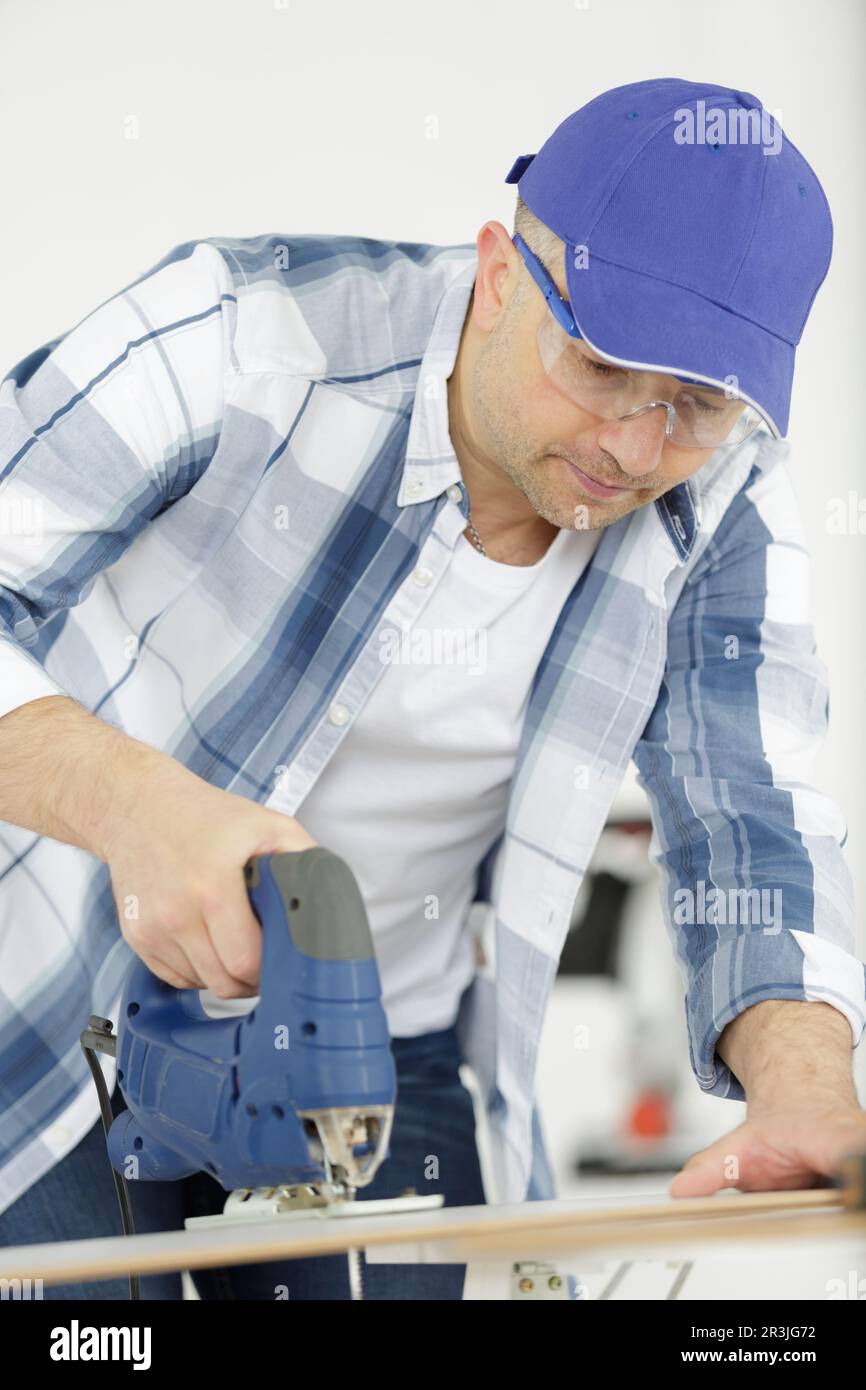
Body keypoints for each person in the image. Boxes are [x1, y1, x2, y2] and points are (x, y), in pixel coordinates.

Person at [0, 77, 864, 1300]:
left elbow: (751, 819)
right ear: (503, 271)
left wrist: (804, 1083)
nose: (631, 446)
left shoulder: (714, 517)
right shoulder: (239, 337)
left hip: (374, 1057)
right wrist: (133, 807)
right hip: (49, 1014)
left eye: (695, 405)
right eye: (604, 363)